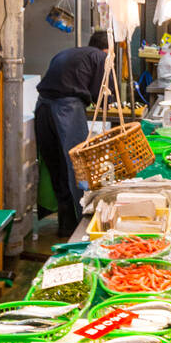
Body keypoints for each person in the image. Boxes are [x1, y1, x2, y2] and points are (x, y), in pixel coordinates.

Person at [34, 30, 115, 236]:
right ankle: (81, 226)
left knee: (56, 166)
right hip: (66, 110)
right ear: (107, 49)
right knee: (78, 167)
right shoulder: (100, 57)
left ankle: (65, 225)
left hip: (42, 107)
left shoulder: (68, 53)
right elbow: (102, 96)